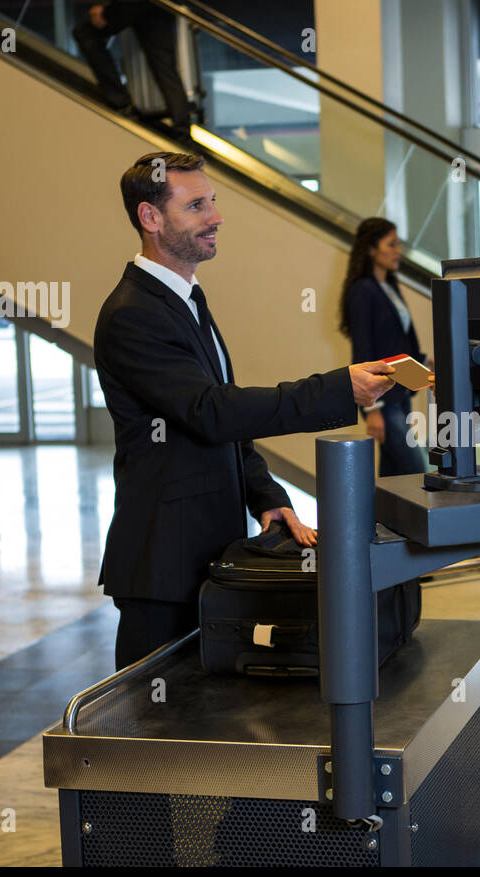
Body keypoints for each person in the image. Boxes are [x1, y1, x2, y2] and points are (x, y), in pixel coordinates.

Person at [93, 152, 397, 670]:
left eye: (212, 202)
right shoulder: (132, 315)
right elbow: (212, 412)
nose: (215, 216)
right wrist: (337, 390)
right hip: (161, 566)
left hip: (206, 549)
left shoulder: (186, 299)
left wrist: (266, 495)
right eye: (195, 206)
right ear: (151, 218)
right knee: (158, 734)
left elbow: (224, 424)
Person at [338, 218, 428, 476]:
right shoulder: (363, 291)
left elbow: (398, 343)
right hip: (382, 399)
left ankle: (383, 518)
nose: (398, 250)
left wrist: (427, 363)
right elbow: (363, 351)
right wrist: (372, 410)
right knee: (414, 472)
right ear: (371, 249)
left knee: (394, 476)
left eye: (398, 244)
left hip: (399, 393)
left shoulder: (388, 287)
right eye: (391, 244)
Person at [73, 2, 192, 139]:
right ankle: (182, 129)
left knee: (84, 31)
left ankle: (121, 102)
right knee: (165, 66)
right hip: (159, 5)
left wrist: (102, 5)